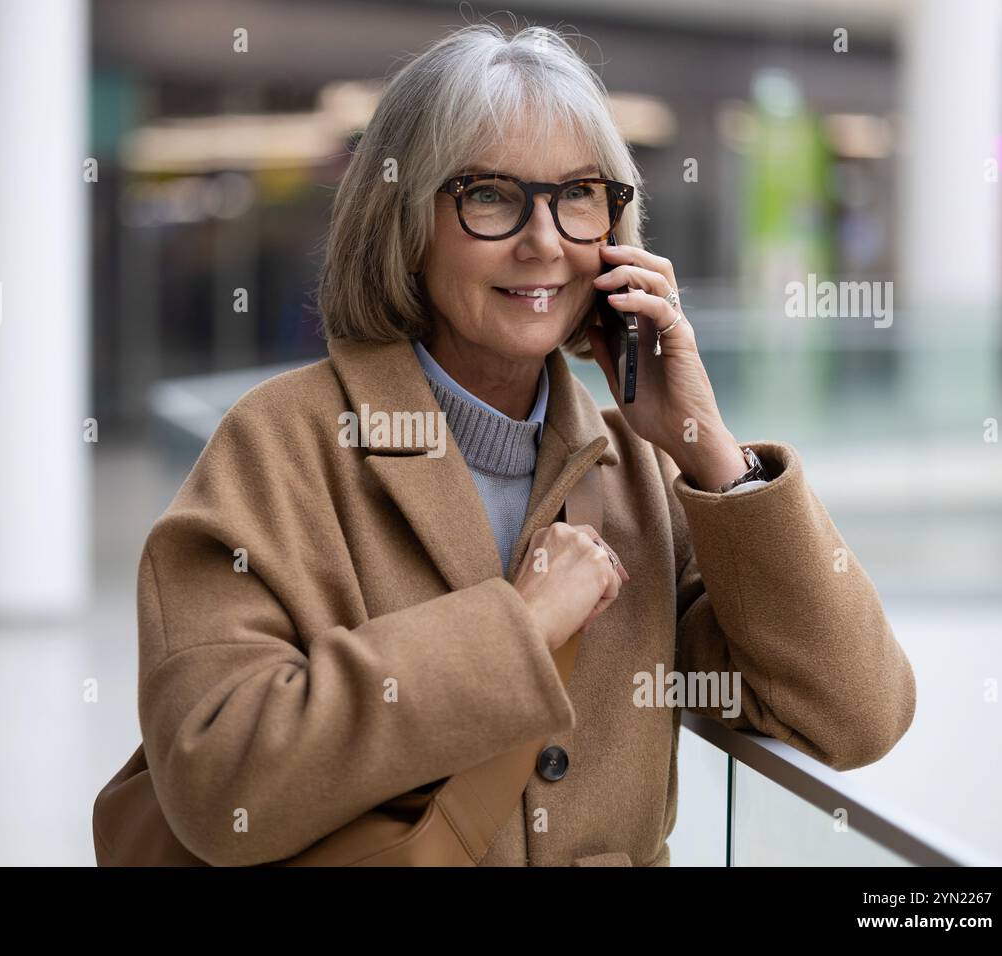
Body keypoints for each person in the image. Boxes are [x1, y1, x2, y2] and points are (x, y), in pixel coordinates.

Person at [134, 23, 916, 867]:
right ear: (405, 221)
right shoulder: (278, 446)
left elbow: (856, 715)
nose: (544, 240)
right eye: (491, 195)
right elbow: (218, 782)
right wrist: (519, 627)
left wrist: (711, 454)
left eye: (579, 194)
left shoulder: (643, 474)